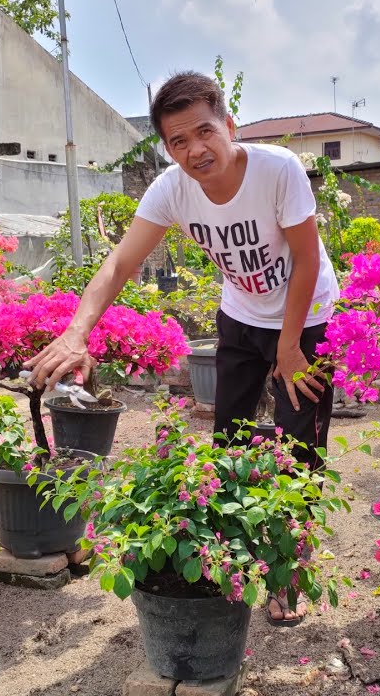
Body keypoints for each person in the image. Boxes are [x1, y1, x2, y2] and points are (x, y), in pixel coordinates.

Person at [26, 70, 339, 625]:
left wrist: (289, 348)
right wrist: (77, 331)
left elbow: (308, 262)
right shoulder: (171, 189)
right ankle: (232, 556)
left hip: (306, 316)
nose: (195, 150)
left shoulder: (278, 171)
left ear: (229, 125)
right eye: (178, 142)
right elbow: (121, 262)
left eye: (204, 132)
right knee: (229, 439)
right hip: (241, 315)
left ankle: (288, 569)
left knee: (299, 441)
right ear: (168, 149)